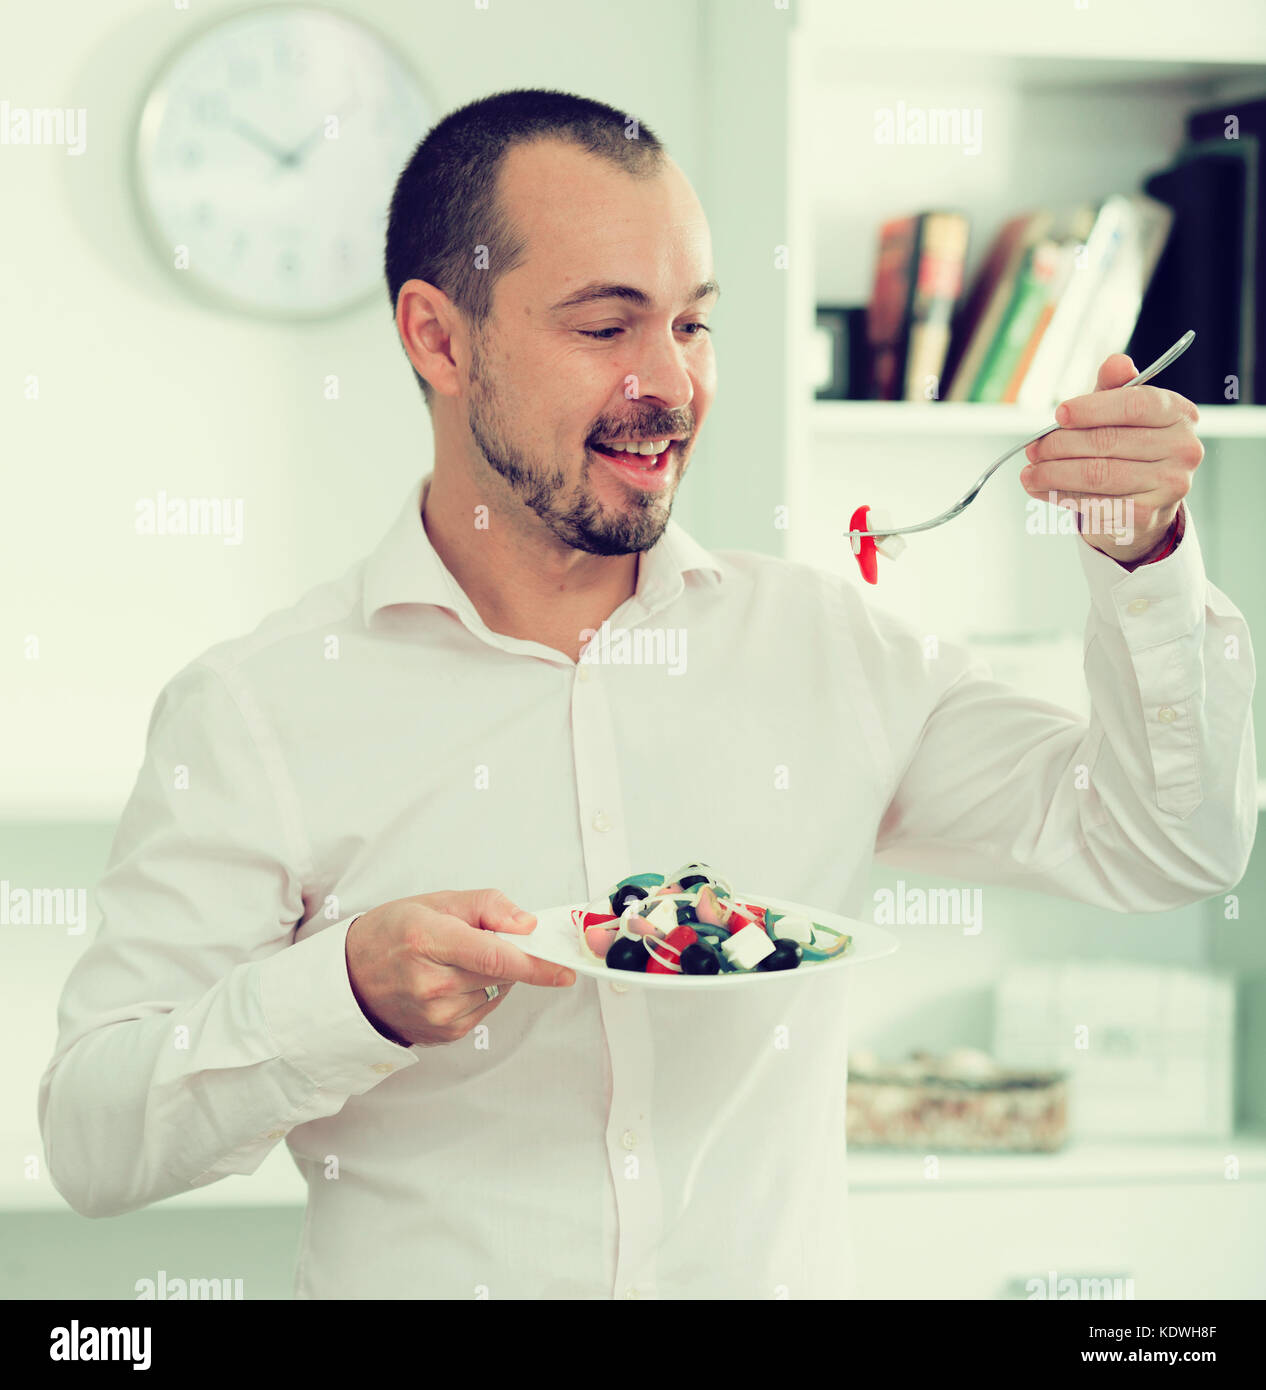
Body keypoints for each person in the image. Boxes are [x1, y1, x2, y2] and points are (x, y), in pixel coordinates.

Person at [39, 89, 1256, 1300]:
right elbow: (95, 1138)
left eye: (692, 324)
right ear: (439, 337)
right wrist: (344, 994)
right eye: (605, 327)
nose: (670, 383)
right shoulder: (259, 707)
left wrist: (1142, 557)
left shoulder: (831, 646)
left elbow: (1166, 846)